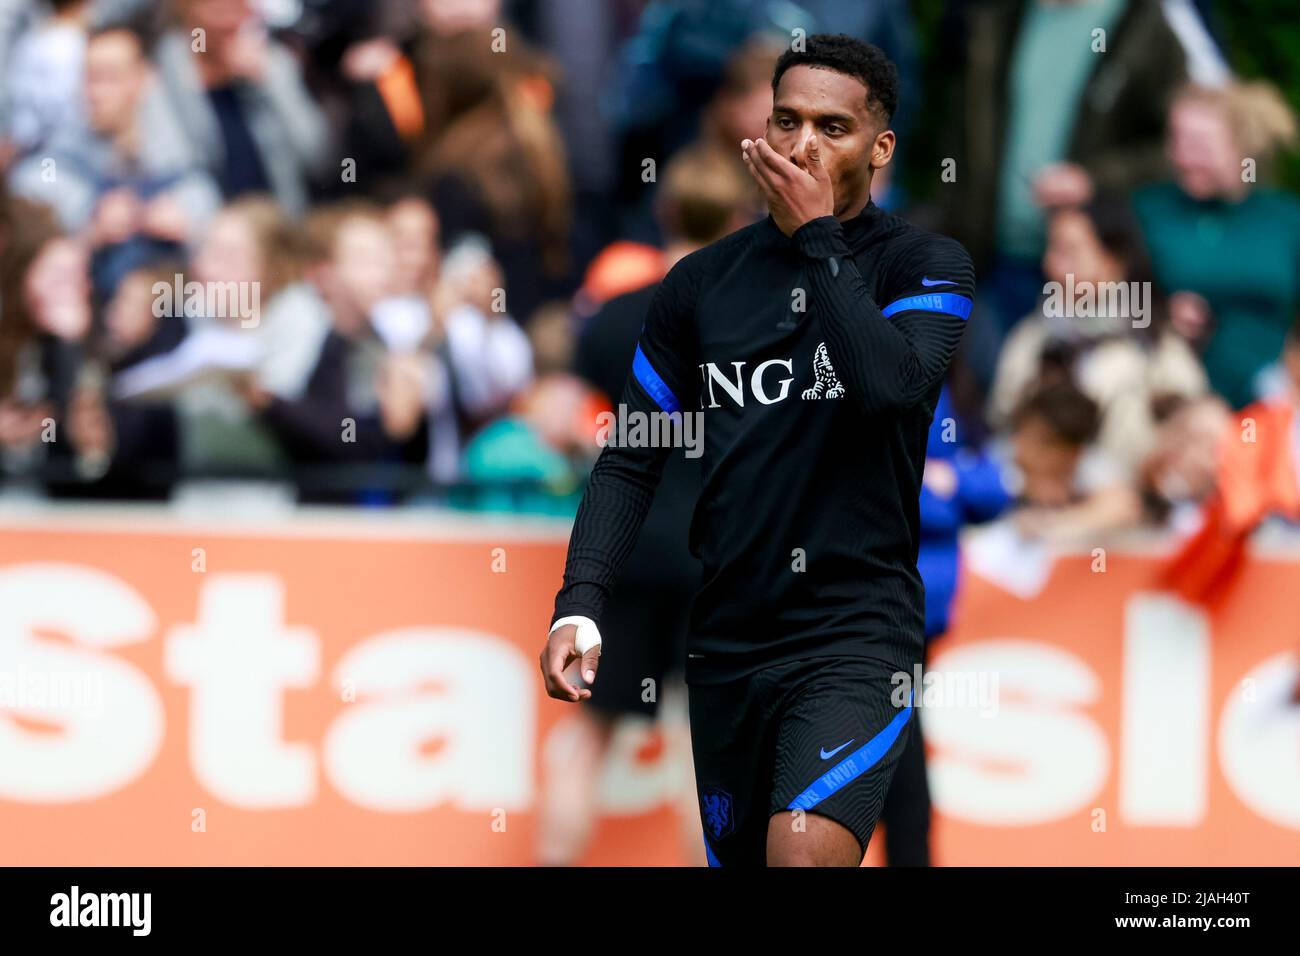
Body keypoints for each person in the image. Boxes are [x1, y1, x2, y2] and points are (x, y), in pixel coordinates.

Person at [540, 34, 975, 867]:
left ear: (882, 147)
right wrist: (580, 598)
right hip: (729, 634)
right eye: (787, 120)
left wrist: (817, 236)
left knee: (803, 855)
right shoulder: (700, 287)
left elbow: (890, 389)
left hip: (855, 627)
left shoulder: (925, 265)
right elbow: (634, 456)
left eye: (832, 126)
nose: (804, 142)